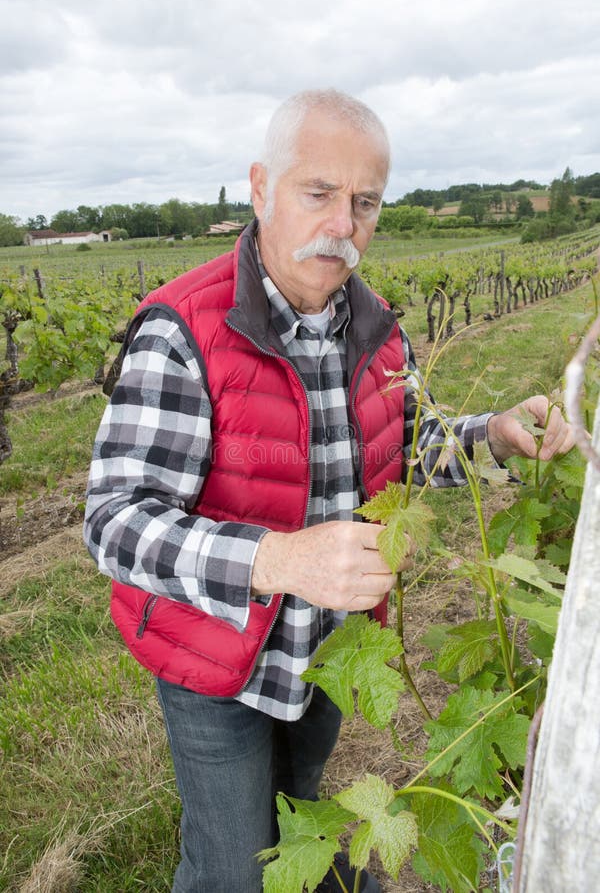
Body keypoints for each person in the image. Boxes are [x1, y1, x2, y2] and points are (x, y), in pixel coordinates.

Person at [83, 88, 574, 893]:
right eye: (319, 193)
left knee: (299, 818)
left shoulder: (376, 325)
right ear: (260, 187)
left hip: (330, 654)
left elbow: (405, 444)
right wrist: (277, 560)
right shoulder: (183, 333)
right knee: (231, 869)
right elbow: (114, 523)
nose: (343, 224)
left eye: (366, 202)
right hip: (218, 663)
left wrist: (494, 435)